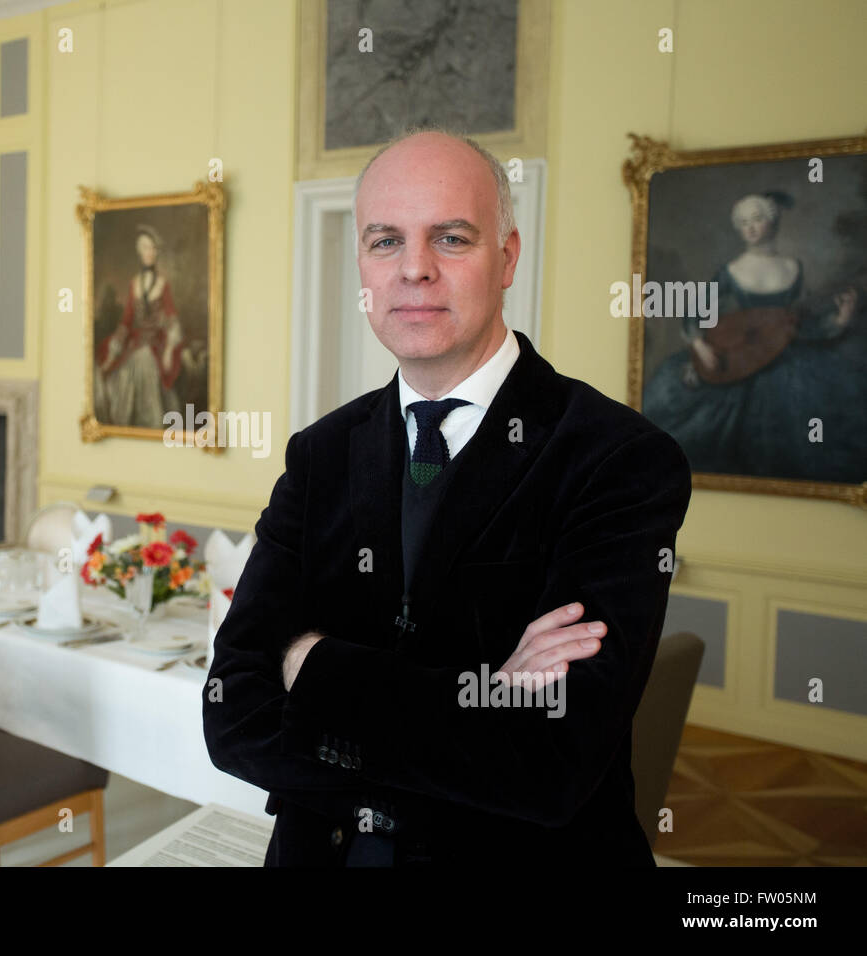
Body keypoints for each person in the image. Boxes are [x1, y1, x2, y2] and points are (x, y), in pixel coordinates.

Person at [202, 128, 693, 866]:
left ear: (507, 257)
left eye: (452, 238)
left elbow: (551, 757)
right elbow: (232, 713)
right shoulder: (322, 453)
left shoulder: (619, 459)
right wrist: (482, 701)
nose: (415, 270)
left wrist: (315, 665)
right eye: (385, 241)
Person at [643, 192, 861, 481]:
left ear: (772, 221)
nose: (751, 228)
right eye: (744, 222)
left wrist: (840, 319)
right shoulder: (732, 271)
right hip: (742, 357)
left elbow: (800, 324)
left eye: (757, 219)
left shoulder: (793, 267)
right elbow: (696, 311)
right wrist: (700, 345)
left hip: (791, 359)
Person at [93, 226, 185, 427]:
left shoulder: (163, 284)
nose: (150, 252)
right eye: (146, 248)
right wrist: (115, 347)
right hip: (135, 341)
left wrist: (169, 349)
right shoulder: (134, 283)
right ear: (139, 252)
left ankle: (150, 424)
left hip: (156, 343)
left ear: (156, 252)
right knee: (114, 371)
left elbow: (172, 319)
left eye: (153, 248)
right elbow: (126, 320)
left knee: (144, 362)